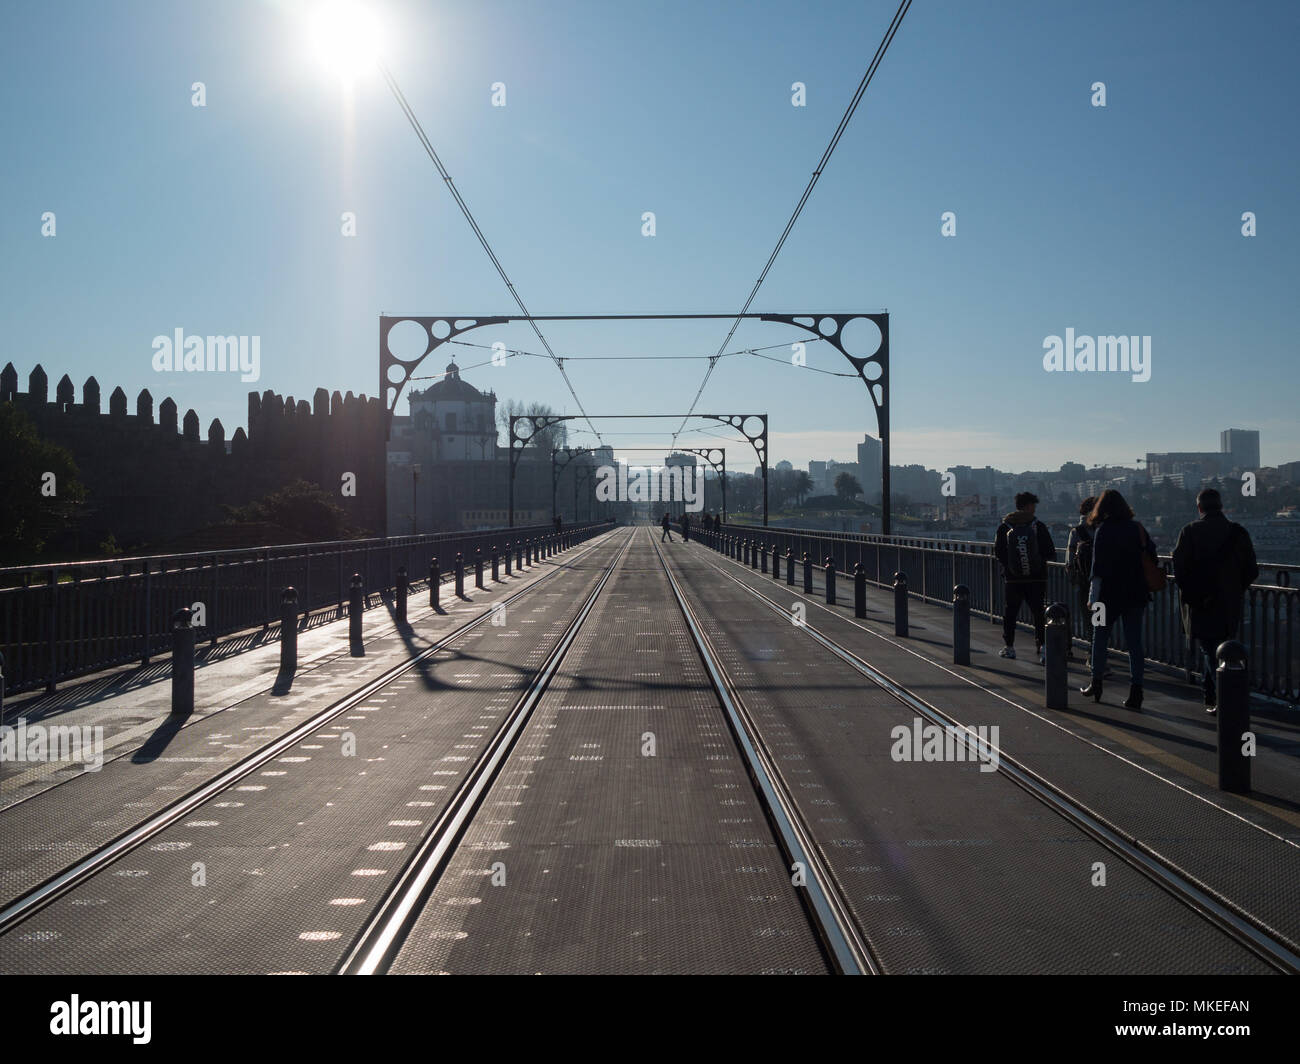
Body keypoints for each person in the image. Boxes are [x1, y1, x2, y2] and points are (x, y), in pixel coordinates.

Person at [1172, 488, 1259, 714]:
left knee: (1210, 650)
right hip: (1229, 603)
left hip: (1201, 603)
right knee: (1222, 648)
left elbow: (1179, 570)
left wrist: (1193, 593)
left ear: (1199, 507)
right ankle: (1211, 694)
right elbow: (1251, 569)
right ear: (1221, 506)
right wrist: (1234, 588)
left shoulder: (1190, 532)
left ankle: (1221, 698)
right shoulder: (1238, 533)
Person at [1080, 489, 1157, 709]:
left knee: (1100, 638)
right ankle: (1136, 691)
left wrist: (1092, 598)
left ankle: (1096, 683)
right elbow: (1152, 555)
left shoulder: (1103, 530)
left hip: (1107, 597)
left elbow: (1097, 569)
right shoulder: (1137, 528)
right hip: (1135, 594)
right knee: (1135, 644)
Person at [994, 492, 1056, 663]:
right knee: (1039, 613)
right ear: (1029, 506)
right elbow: (1049, 551)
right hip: (1037, 579)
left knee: (1010, 612)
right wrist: (1037, 563)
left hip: (1013, 579)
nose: (1034, 509)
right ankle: (1043, 647)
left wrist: (1011, 567)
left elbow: (999, 552)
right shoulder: (1038, 526)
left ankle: (1009, 647)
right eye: (1033, 505)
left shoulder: (1005, 526)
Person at [1065, 497, 1097, 665]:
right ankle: (1097, 654)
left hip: (1083, 584)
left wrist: (1074, 580)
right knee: (1099, 621)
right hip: (1100, 585)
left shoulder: (1076, 532)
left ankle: (1093, 654)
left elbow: (1069, 562)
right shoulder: (1101, 530)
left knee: (1087, 619)